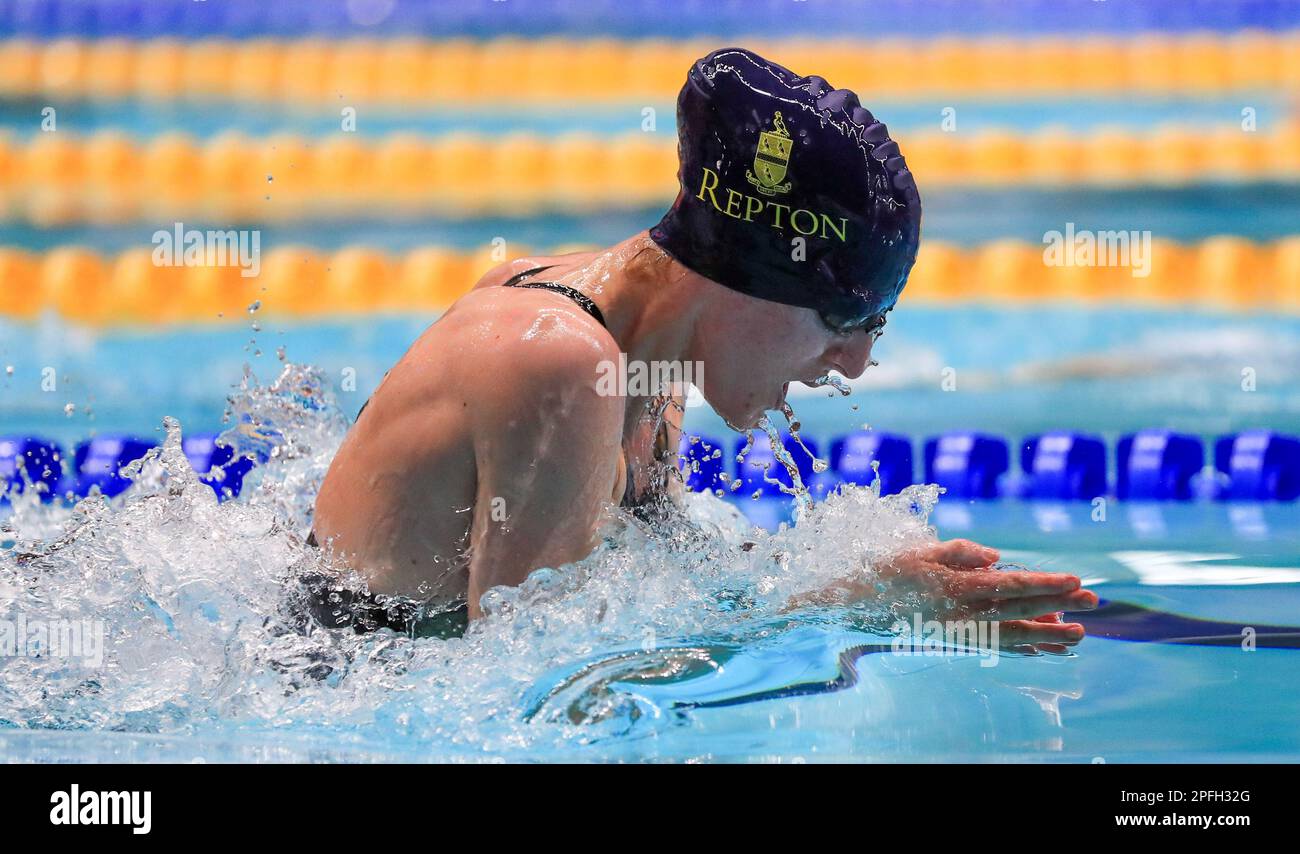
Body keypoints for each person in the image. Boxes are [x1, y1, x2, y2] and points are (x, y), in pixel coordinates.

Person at [309, 47, 1097, 647]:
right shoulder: (557, 360)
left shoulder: (643, 356)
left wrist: (859, 592)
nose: (853, 363)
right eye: (838, 317)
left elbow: (641, 608)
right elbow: (535, 677)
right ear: (744, 275)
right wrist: (848, 610)